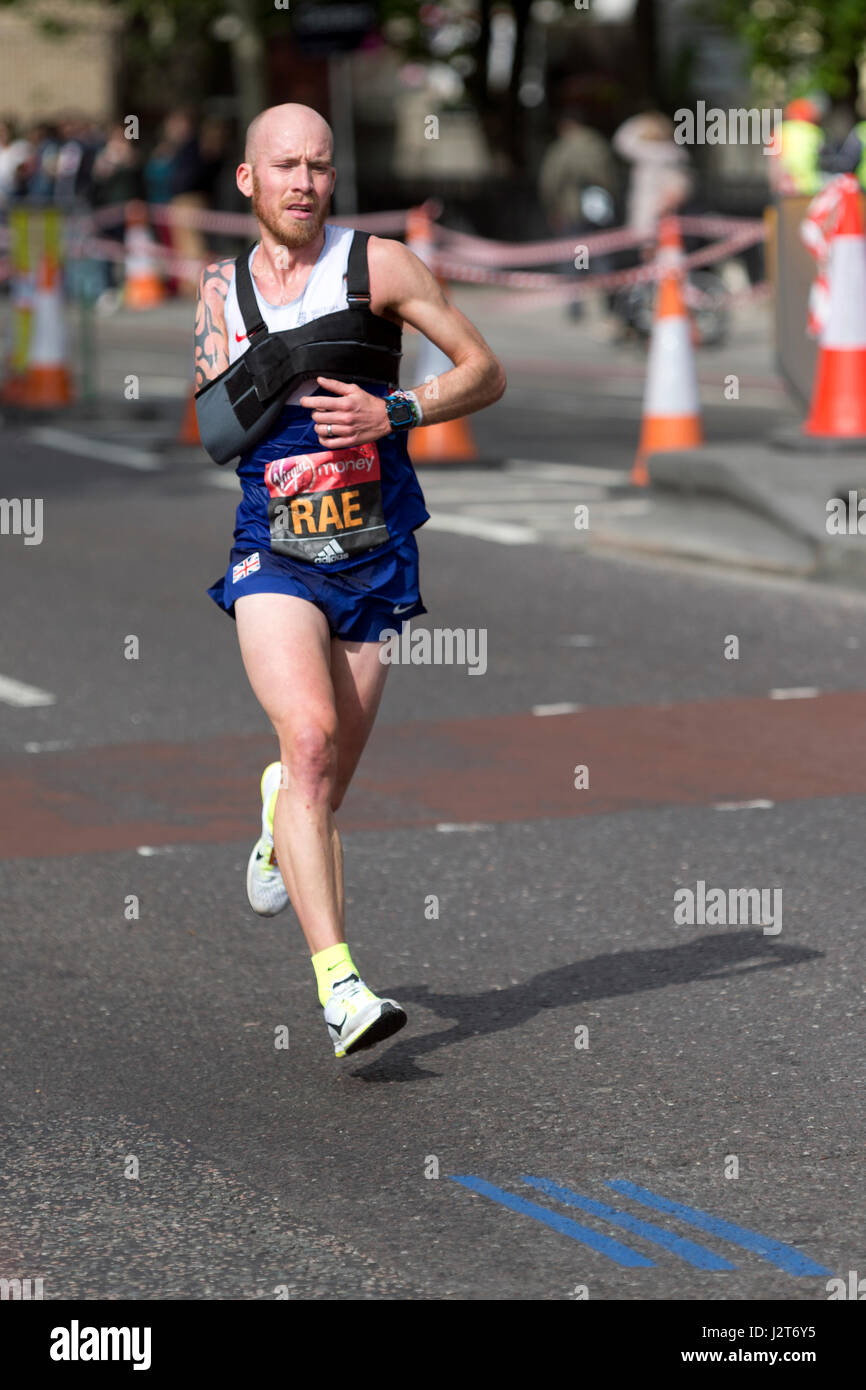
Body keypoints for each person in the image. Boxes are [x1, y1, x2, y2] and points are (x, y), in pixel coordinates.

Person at [196, 104, 505, 1059]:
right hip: (273, 548)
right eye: (284, 165)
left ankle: (277, 804)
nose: (303, 181)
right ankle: (341, 986)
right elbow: (212, 430)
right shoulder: (220, 289)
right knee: (314, 740)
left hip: (372, 550)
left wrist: (394, 409)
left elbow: (485, 370)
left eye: (319, 166)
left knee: (320, 786)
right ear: (248, 181)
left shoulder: (381, 267)